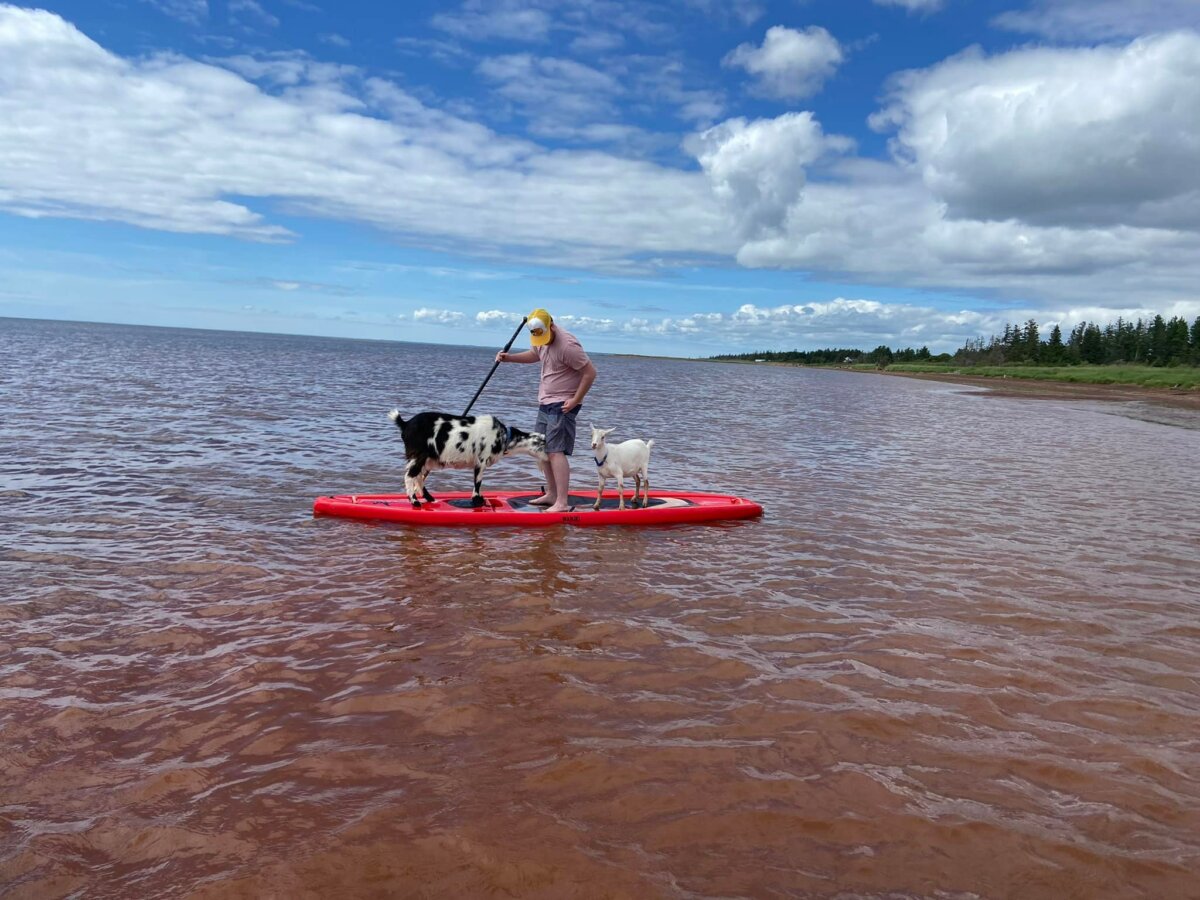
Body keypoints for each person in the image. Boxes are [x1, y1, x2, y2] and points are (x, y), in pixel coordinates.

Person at [496, 308, 596, 513]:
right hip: (545, 401)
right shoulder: (539, 337)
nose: (542, 340)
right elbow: (535, 354)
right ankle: (551, 494)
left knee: (555, 451)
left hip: (563, 404)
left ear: (551, 325)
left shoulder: (568, 346)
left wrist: (576, 400)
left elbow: (590, 373)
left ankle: (562, 502)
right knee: (540, 449)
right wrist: (509, 358)